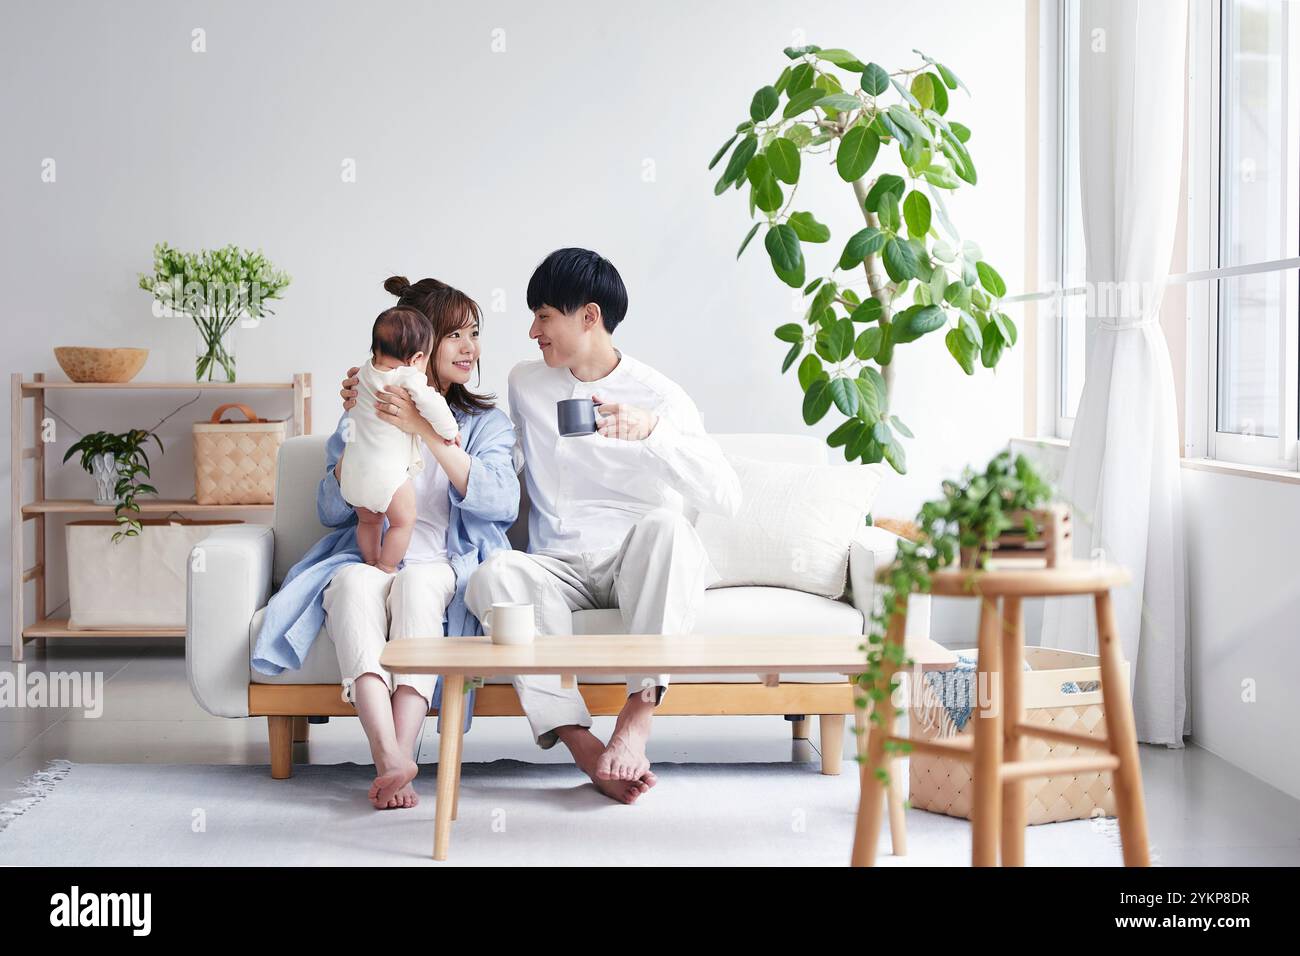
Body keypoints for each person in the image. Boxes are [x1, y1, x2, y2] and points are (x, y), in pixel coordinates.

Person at [466, 248, 742, 805]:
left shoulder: (660, 396)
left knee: (668, 528)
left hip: (628, 562)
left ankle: (637, 718)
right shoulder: (527, 383)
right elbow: (476, 424)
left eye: (544, 316)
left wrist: (652, 433)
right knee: (494, 573)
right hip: (554, 565)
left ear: (588, 317)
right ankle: (582, 744)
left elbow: (726, 496)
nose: (533, 330)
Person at [251, 276, 518, 810]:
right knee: (351, 587)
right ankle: (391, 758)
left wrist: (425, 429)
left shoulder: (486, 424)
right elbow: (330, 511)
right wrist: (358, 426)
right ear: (420, 349)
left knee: (417, 587)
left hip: (442, 563)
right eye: (456, 336)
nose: (471, 348)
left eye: (475, 333)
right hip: (369, 558)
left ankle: (401, 750)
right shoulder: (363, 411)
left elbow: (500, 502)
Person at [338, 306, 460, 572]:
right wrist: (450, 432)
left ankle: (369, 561)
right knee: (403, 521)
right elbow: (433, 404)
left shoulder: (358, 376)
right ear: (417, 358)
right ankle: (386, 566)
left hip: (353, 475)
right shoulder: (406, 378)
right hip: (387, 476)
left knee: (369, 522)